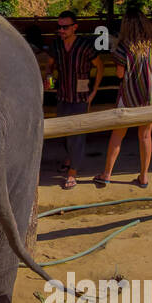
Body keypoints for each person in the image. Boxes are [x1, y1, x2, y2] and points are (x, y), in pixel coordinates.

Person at [95, 7, 152, 189]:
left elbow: (119, 74)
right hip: (151, 96)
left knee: (118, 134)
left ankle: (107, 174)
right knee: (146, 136)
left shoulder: (123, 48)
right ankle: (144, 176)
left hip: (129, 95)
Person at [51, 10, 104, 190]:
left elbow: (100, 67)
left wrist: (94, 92)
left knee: (77, 136)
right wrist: (48, 76)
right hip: (63, 95)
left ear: (75, 27)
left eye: (65, 27)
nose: (61, 30)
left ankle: (72, 173)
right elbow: (49, 65)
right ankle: (70, 158)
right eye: (59, 26)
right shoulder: (56, 45)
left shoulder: (85, 46)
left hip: (80, 97)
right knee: (63, 134)